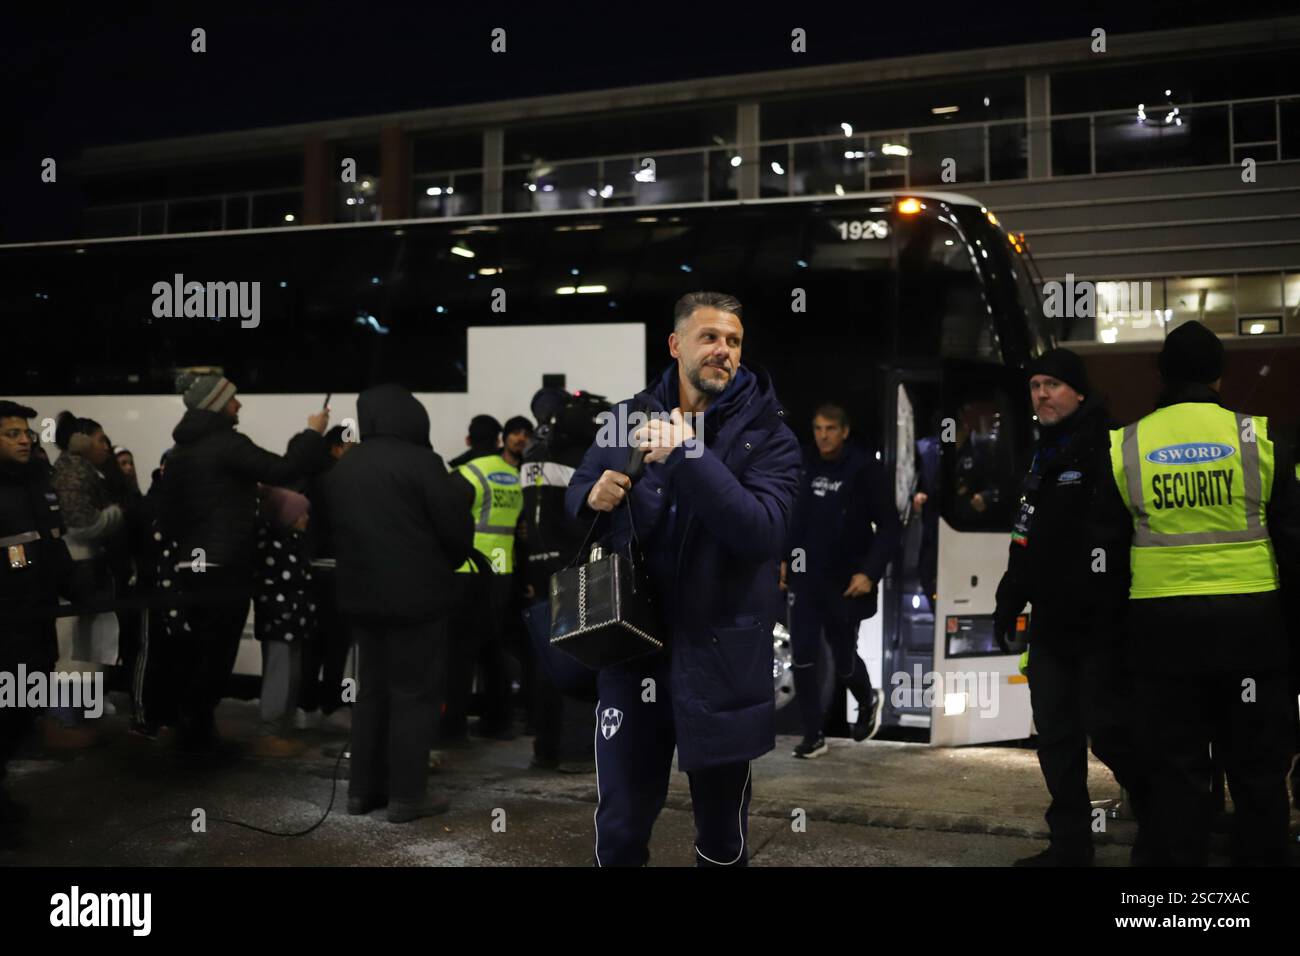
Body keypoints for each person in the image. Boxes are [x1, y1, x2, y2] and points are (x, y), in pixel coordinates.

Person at [566, 291, 801, 867]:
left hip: (721, 659)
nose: (723, 351)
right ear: (676, 345)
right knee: (620, 821)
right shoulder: (627, 417)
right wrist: (589, 497)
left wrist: (689, 455)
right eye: (710, 337)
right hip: (632, 647)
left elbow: (763, 532)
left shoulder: (770, 436)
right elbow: (579, 492)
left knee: (721, 834)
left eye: (734, 341)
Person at [1095, 320, 1300, 867]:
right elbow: (1294, 547)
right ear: (1218, 375)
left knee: (1176, 773)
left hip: (1163, 642)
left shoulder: (1126, 444)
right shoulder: (1260, 439)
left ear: (1161, 373)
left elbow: (1106, 562)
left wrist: (1112, 651)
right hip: (1252, 636)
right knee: (1257, 771)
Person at [993, 349, 1149, 867]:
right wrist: (1009, 594)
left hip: (1104, 624)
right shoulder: (1042, 454)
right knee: (1056, 737)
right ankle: (1070, 846)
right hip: (1053, 626)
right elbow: (1027, 532)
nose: (1041, 394)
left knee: (1110, 731)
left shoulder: (1112, 445)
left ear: (1078, 391)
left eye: (1052, 384)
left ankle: (1161, 826)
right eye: (1035, 384)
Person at [325, 384, 473, 823]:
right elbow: (456, 535)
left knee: (370, 693)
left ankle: (361, 793)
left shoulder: (343, 469)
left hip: (359, 600)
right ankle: (407, 797)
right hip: (417, 601)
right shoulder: (422, 463)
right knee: (413, 695)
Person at [160, 372, 327, 751]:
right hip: (225, 565)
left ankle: (193, 732)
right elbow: (283, 469)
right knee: (217, 655)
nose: (239, 404)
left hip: (193, 565)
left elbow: (168, 515)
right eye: (233, 399)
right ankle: (198, 739)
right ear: (218, 404)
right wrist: (313, 434)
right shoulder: (225, 443)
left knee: (199, 652)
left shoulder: (182, 451)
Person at [782, 403, 899, 757]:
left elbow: (890, 527)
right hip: (806, 578)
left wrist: (869, 572)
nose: (823, 436)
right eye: (818, 428)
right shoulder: (804, 463)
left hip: (845, 580)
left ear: (844, 431)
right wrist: (784, 559)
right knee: (801, 654)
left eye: (830, 429)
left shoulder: (864, 468)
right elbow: (794, 515)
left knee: (843, 657)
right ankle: (813, 735)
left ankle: (867, 698)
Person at [519, 390, 609, 771]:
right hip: (575, 566)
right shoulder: (579, 458)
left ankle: (545, 746)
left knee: (548, 660)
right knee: (580, 653)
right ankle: (575, 751)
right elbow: (586, 516)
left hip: (540, 570)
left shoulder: (531, 456)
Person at [0, 401, 74, 849]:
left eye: (25, 431)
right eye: (11, 433)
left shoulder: (36, 482)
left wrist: (80, 590)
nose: (25, 438)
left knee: (22, 711)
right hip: (6, 625)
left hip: (36, 622)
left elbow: (52, 545)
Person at [444, 417, 526, 741]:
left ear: (468, 440)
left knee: (460, 653)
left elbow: (448, 523)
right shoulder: (512, 473)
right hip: (502, 568)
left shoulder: (467, 474)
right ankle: (498, 722)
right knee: (495, 650)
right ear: (497, 440)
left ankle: (452, 728)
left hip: (470, 571)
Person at [48, 411, 125, 744]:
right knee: (74, 646)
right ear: (81, 441)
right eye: (100, 439)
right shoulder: (75, 472)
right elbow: (81, 525)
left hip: (83, 567)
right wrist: (115, 515)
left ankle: (77, 715)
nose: (106, 446)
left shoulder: (76, 470)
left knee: (84, 645)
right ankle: (67, 720)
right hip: (77, 566)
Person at [250, 486, 315, 757]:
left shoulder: (292, 543)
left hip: (291, 622)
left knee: (290, 674)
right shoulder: (276, 546)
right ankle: (271, 732)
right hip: (281, 623)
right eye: (302, 514)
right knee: (280, 673)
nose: (306, 519)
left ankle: (281, 730)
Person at [298, 425, 354, 731]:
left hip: (317, 569)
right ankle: (331, 703)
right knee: (338, 641)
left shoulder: (316, 480)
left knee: (314, 642)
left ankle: (306, 702)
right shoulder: (342, 483)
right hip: (337, 569)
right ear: (335, 448)